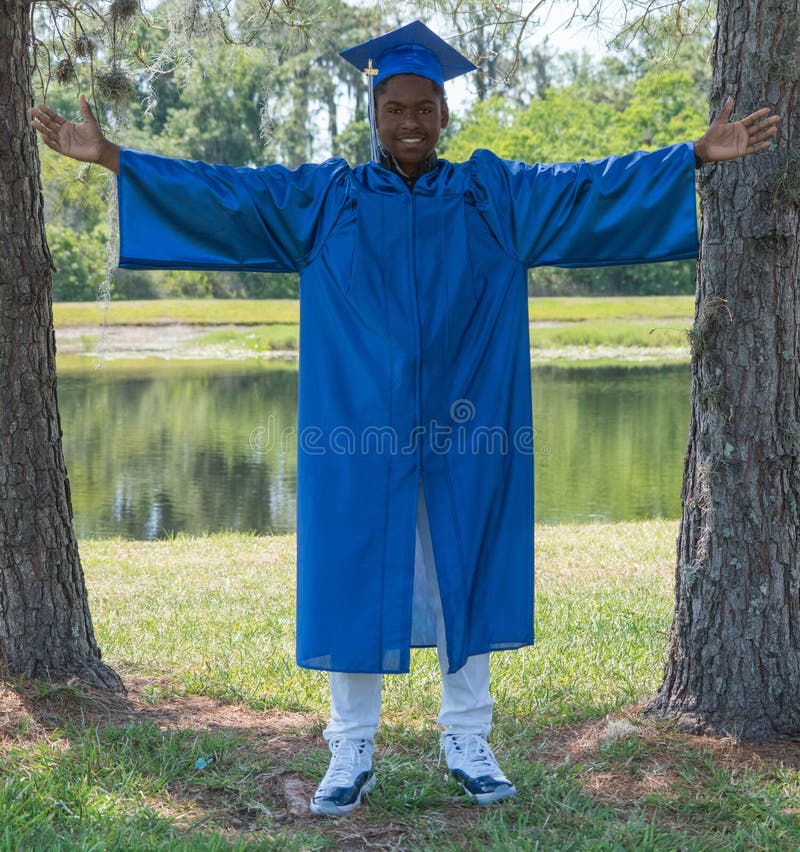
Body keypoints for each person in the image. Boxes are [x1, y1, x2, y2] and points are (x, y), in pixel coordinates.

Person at [31, 20, 779, 818]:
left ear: (445, 114)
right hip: (358, 429)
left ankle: (469, 738)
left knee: (467, 567)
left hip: (469, 424)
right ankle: (350, 747)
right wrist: (114, 158)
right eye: (396, 109)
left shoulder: (493, 197)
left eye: (425, 108)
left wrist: (693, 156)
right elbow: (230, 195)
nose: (411, 123)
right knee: (355, 573)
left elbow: (585, 187)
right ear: (375, 115)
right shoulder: (328, 201)